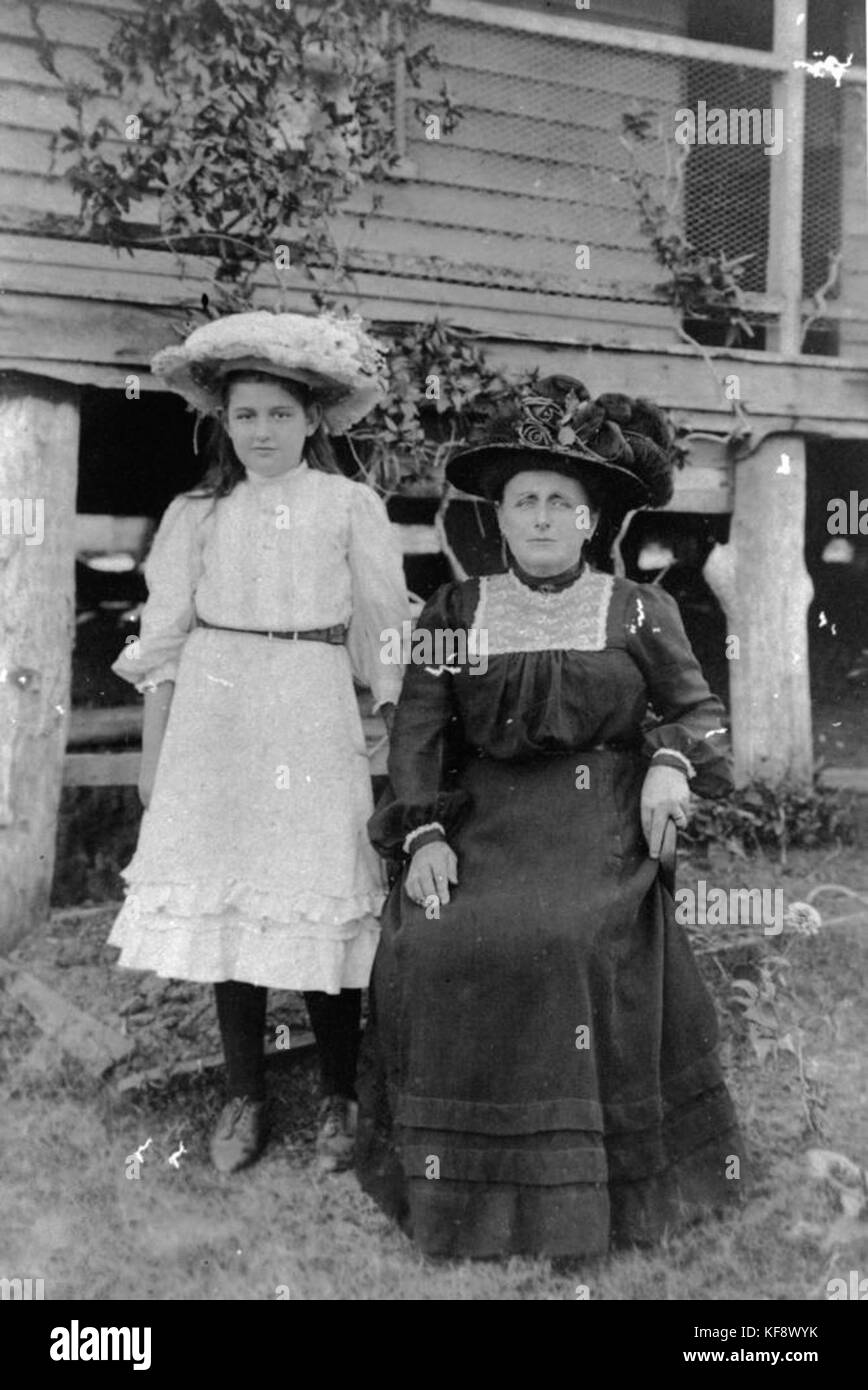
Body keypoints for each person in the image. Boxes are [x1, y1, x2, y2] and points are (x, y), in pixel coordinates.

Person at [356, 377, 746, 1259]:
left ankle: (589, 1184)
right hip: (483, 820)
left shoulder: (641, 609)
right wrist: (420, 834)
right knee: (446, 936)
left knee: (568, 937)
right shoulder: (453, 612)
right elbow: (416, 731)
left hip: (599, 820)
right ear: (497, 517)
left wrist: (669, 765)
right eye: (522, 500)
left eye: (558, 503)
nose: (538, 518)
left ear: (589, 520)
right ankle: (462, 1179)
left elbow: (700, 715)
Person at [109, 310, 410, 1175]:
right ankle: (244, 1093)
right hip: (215, 710)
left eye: (280, 414)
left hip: (310, 706)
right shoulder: (198, 513)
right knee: (231, 898)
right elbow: (164, 641)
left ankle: (339, 1099)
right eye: (246, 416)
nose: (262, 432)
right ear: (223, 422)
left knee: (314, 892)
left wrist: (397, 747)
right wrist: (154, 761)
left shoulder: (349, 506)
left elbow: (380, 634)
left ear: (313, 420)